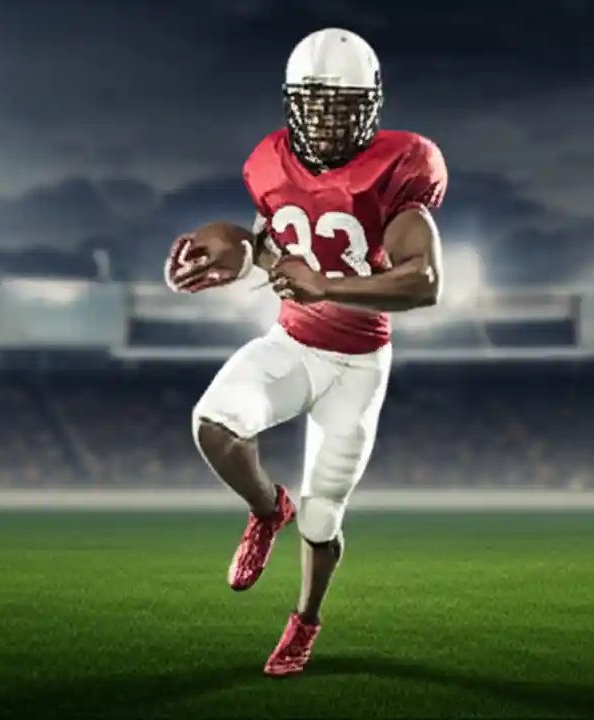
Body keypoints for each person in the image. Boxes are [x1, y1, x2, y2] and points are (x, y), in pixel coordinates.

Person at [164, 27, 447, 677]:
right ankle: (268, 508)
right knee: (214, 425)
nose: (325, 121)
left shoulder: (398, 169)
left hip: (358, 366)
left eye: (342, 107)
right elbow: (270, 248)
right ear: (292, 102)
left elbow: (424, 281)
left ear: (370, 108)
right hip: (292, 340)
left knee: (324, 520)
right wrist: (234, 252)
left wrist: (332, 286)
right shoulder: (269, 163)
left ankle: (305, 621)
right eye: (314, 104)